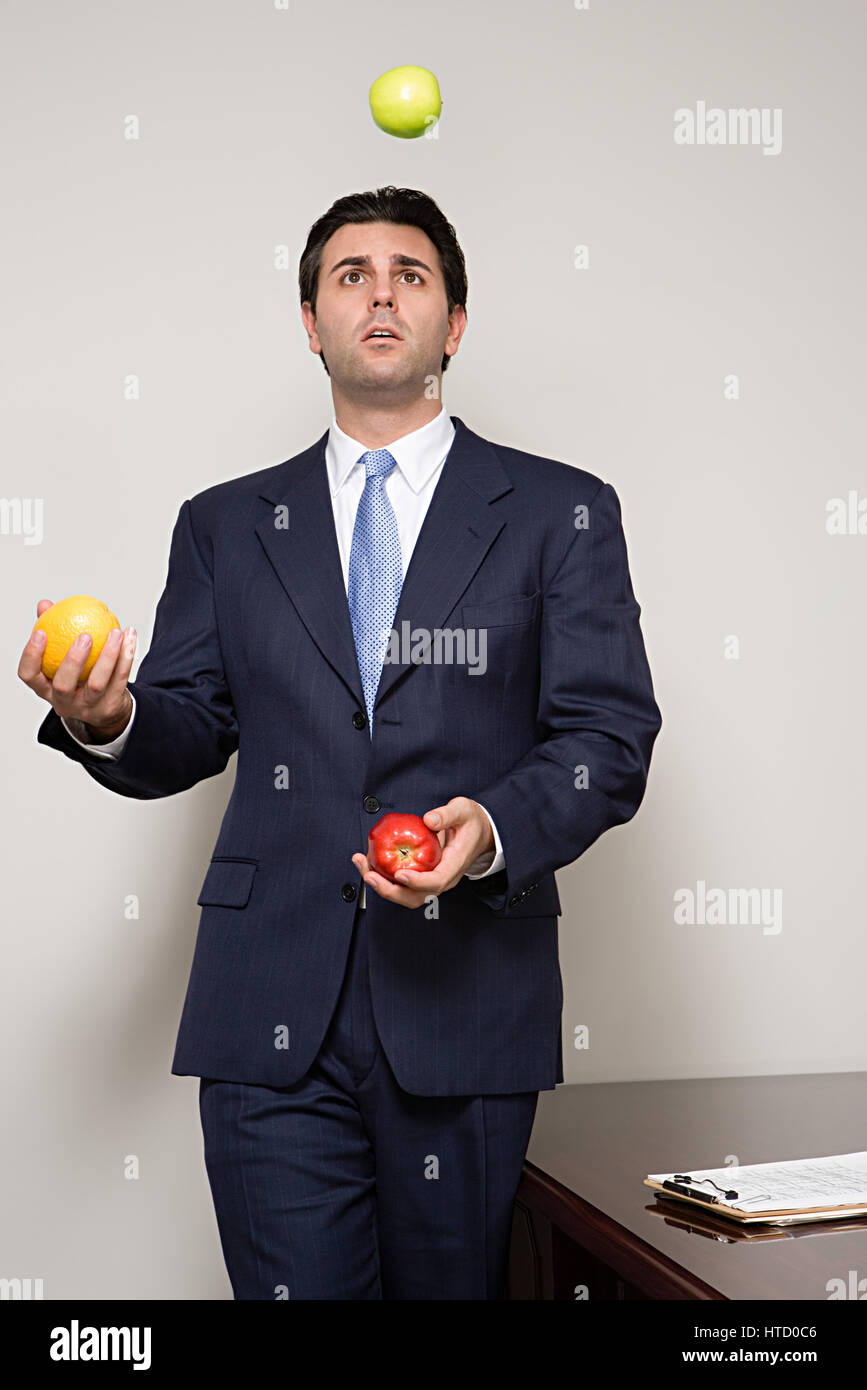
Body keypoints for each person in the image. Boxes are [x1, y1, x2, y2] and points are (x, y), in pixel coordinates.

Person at [21, 185, 662, 1300]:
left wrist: (497, 827)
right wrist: (107, 716)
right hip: (268, 1009)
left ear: (453, 324)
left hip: (467, 1005)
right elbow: (190, 725)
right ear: (310, 321)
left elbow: (608, 735)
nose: (379, 294)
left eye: (409, 275)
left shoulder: (561, 510)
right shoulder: (224, 523)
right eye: (349, 275)